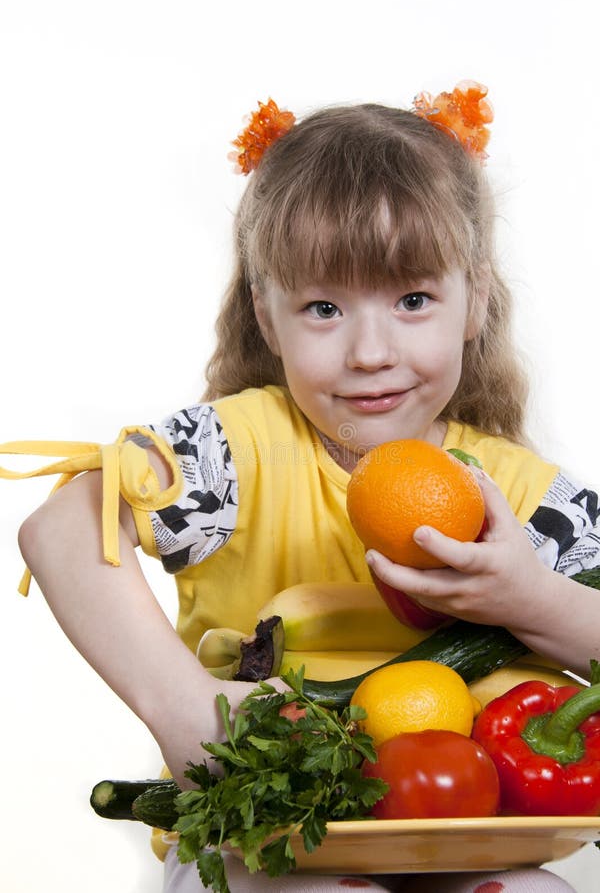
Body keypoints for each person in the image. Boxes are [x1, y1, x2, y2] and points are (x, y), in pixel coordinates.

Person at [0, 82, 595, 893]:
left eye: (414, 299)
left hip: (467, 844)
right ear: (266, 317)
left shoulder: (521, 499)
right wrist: (183, 707)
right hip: (263, 848)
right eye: (323, 307)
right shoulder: (237, 454)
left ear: (475, 301)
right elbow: (60, 530)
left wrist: (535, 600)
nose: (371, 351)